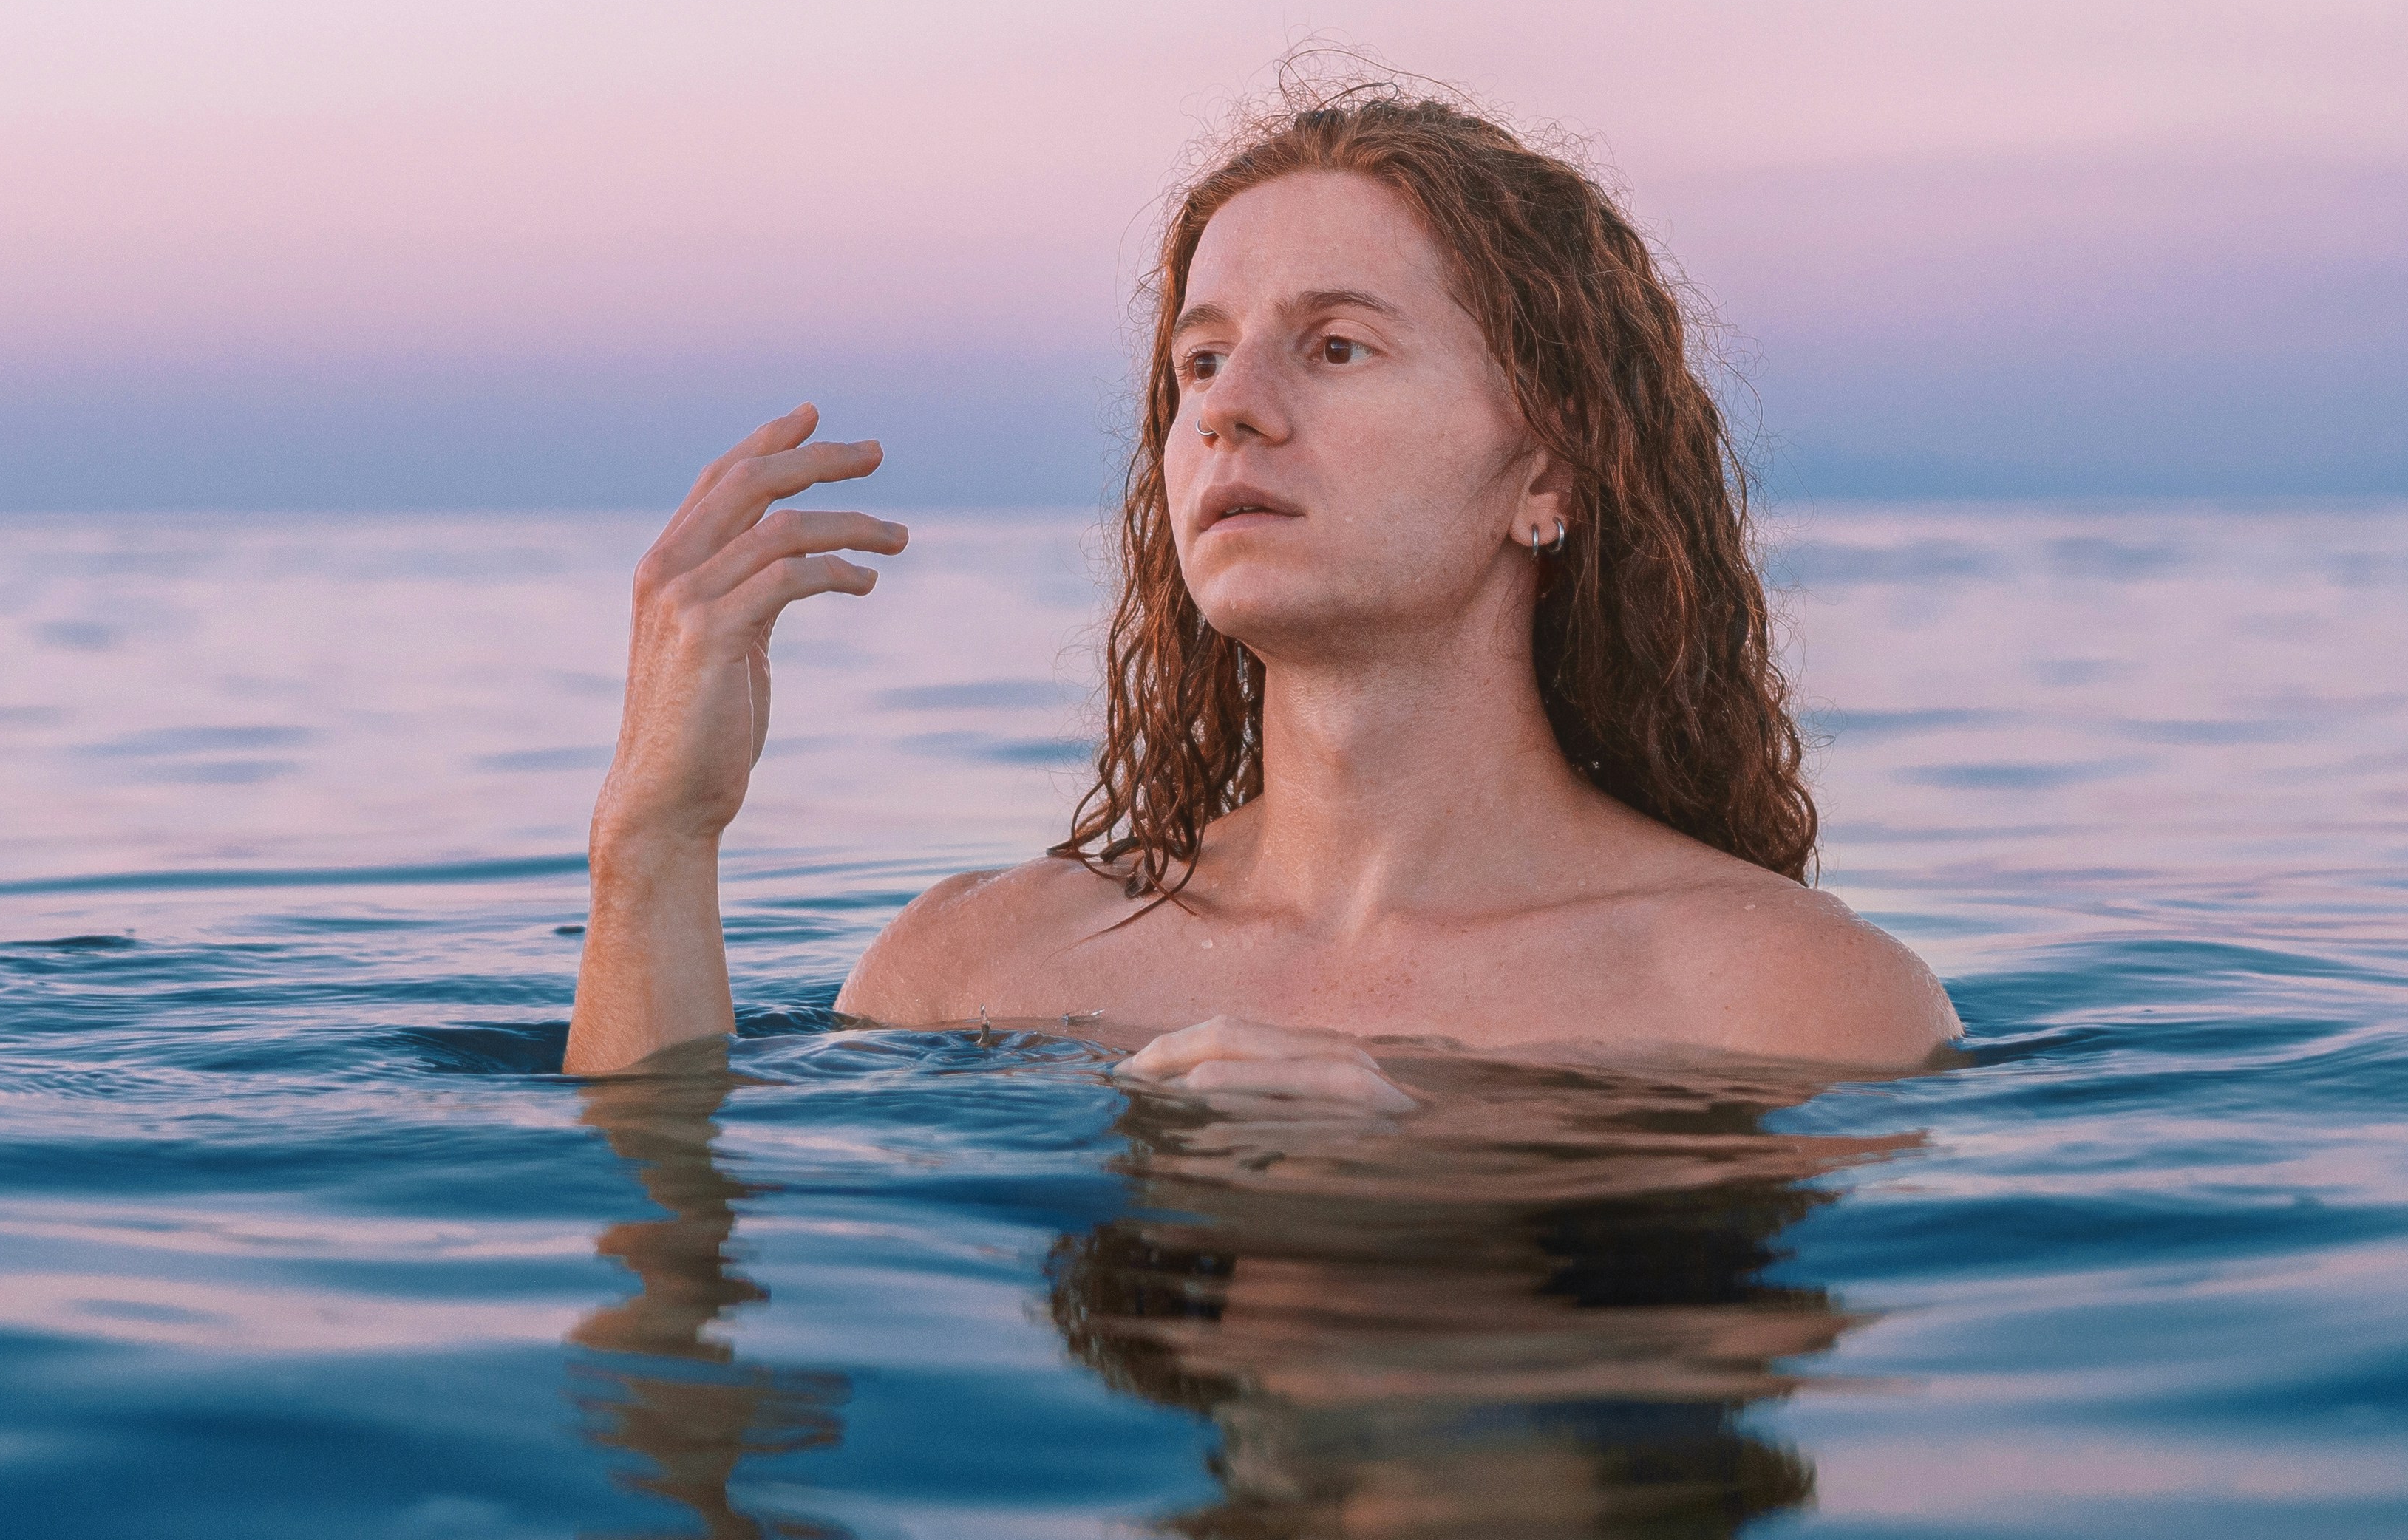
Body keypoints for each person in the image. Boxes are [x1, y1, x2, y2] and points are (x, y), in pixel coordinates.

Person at [562, 84, 1958, 1092]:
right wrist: (655, 845)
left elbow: (1690, 1469)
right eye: (1201, 363)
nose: (1233, 411)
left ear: (1552, 473)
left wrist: (1384, 1226)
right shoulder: (970, 968)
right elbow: (667, 1301)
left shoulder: (1794, 1004)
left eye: (1337, 348)